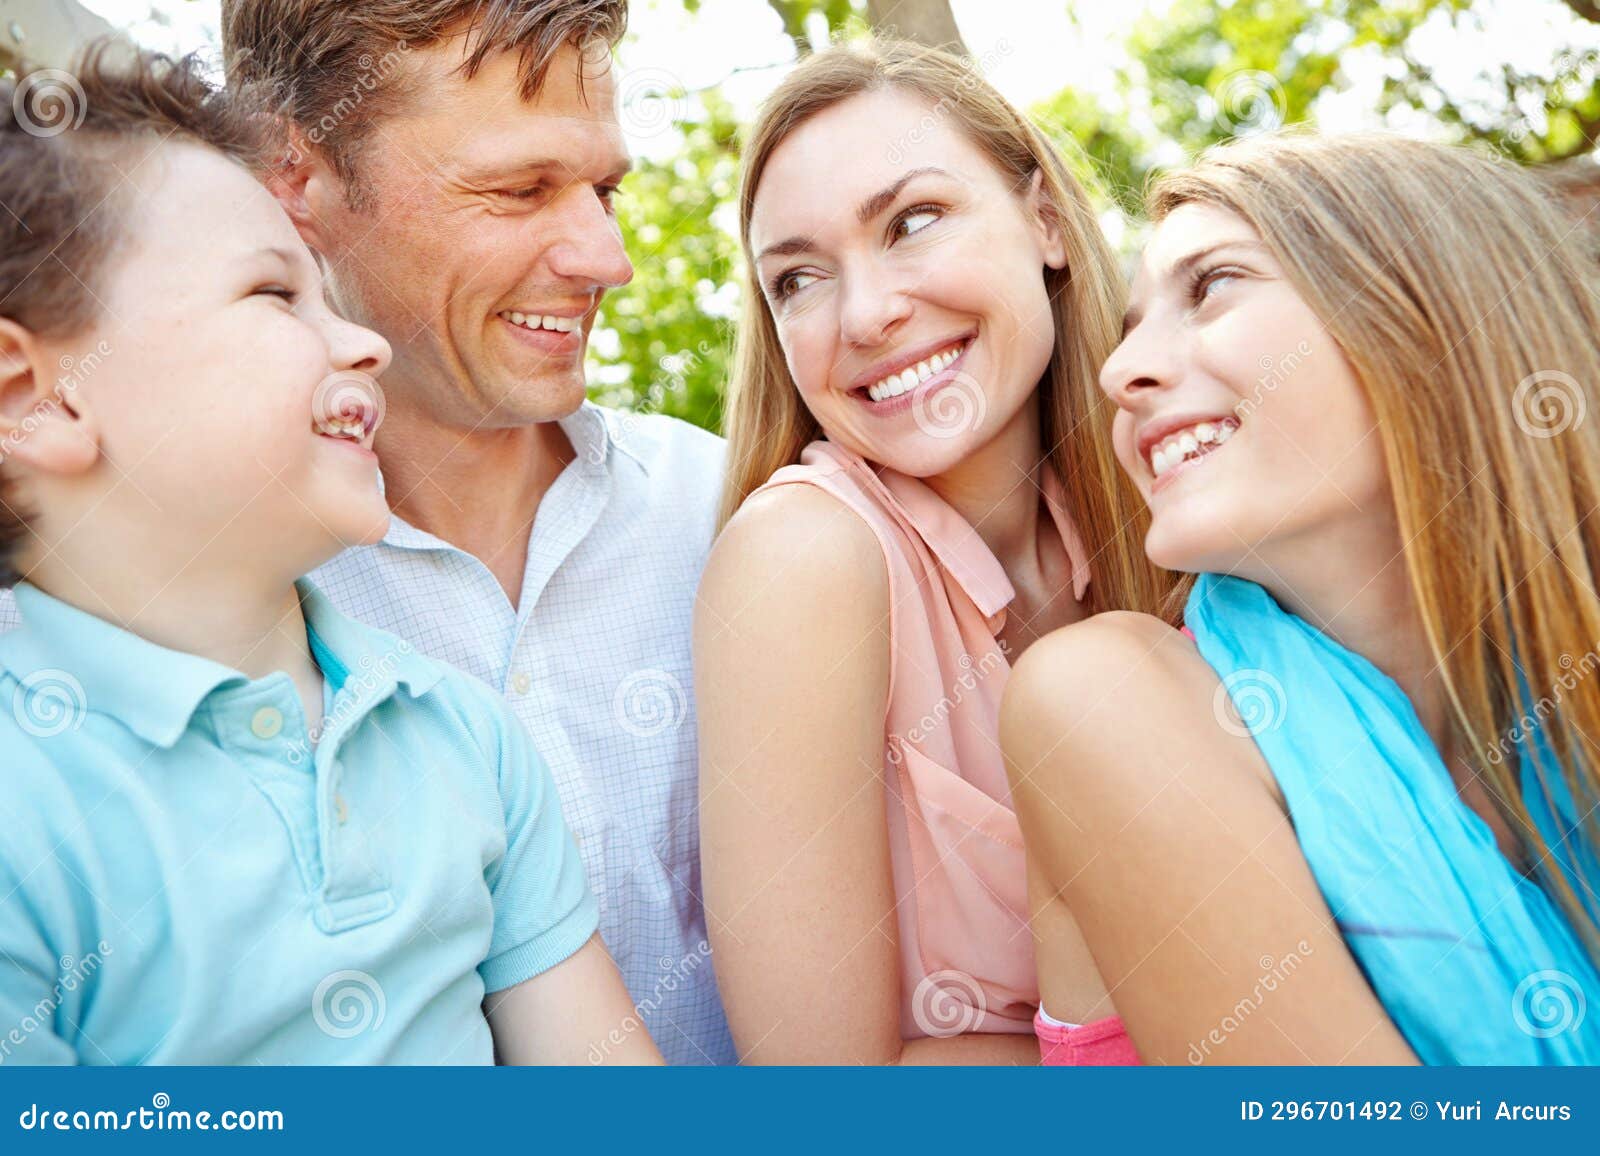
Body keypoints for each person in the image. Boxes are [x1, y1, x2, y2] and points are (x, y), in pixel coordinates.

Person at [0, 46, 659, 1065]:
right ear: (31, 398)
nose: (364, 348)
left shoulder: (462, 735)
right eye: (273, 296)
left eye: (326, 297)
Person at [1003, 132, 1600, 1065]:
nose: (1119, 377)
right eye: (1125, 335)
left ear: (1435, 314)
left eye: (1213, 286)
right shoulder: (1105, 696)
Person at [215, 0, 733, 1063]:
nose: (606, 257)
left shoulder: (728, 511)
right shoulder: (198, 601)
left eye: (604, 191)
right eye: (519, 189)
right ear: (294, 180)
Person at [695, 38, 1173, 1065]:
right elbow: (824, 1104)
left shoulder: (1161, 515)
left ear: (1044, 220)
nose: (866, 313)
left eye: (911, 222)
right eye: (798, 279)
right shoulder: (803, 558)